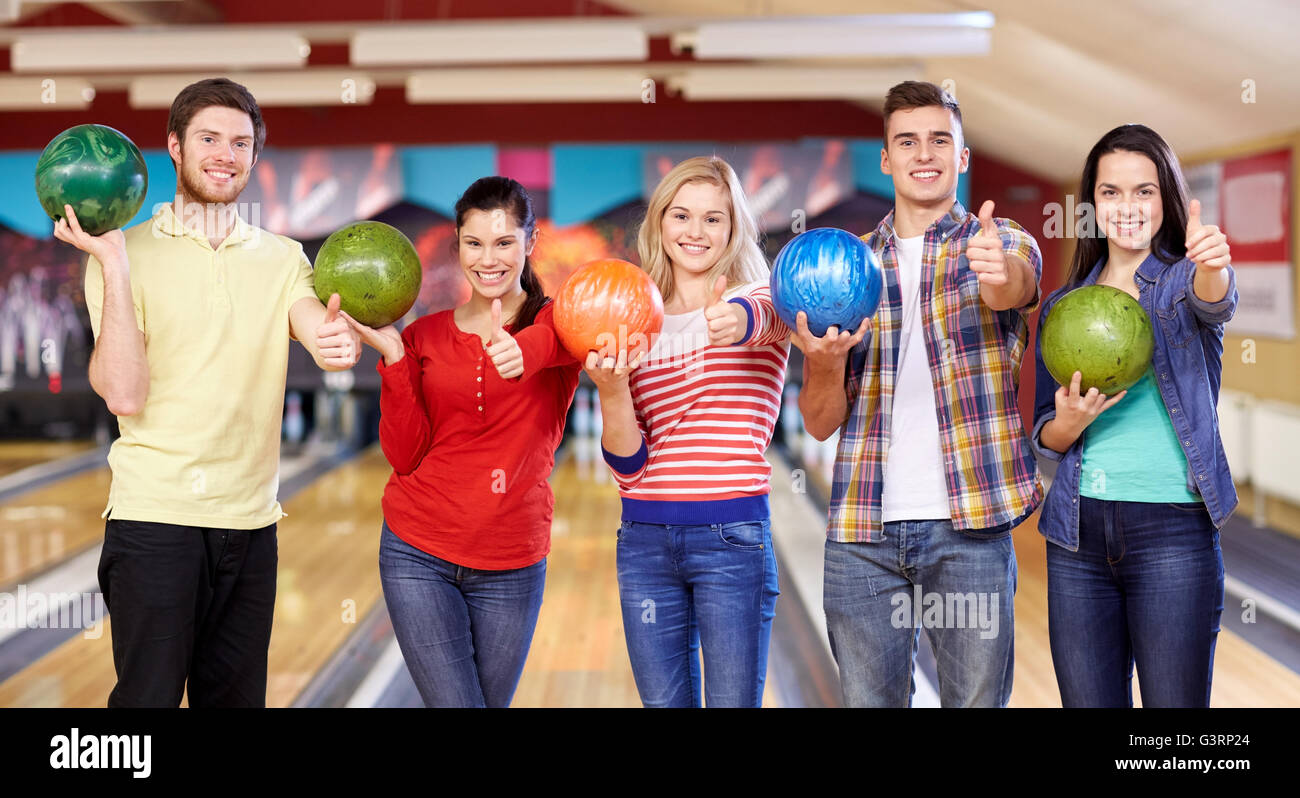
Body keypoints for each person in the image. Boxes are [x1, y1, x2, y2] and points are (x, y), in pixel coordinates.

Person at [61, 77, 361, 707]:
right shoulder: (122, 253)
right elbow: (123, 393)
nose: (226, 153)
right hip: (155, 519)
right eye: (209, 138)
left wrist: (333, 340)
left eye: (241, 142)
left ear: (255, 156)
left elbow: (313, 321)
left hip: (252, 525)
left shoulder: (283, 258)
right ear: (174, 146)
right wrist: (114, 264)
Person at [797, 81, 1043, 708]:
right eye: (907, 141)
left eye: (940, 140)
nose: (923, 153)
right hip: (862, 534)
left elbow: (1010, 287)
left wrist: (996, 273)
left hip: (971, 531)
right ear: (885, 159)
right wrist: (823, 366)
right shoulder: (848, 268)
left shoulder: (1002, 241)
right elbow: (821, 423)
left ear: (962, 157)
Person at [344, 176, 580, 708]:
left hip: (512, 559)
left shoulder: (559, 324)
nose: (488, 258)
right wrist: (396, 360)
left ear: (530, 242)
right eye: (474, 243)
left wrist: (526, 349)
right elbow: (404, 456)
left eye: (504, 243)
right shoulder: (422, 337)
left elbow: (564, 336)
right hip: (416, 551)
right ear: (458, 243)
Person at [1031, 124, 1235, 707]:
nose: (1127, 208)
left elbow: (1214, 299)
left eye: (1144, 192)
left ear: (1166, 199)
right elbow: (1046, 431)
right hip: (1077, 536)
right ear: (1092, 203)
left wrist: (1212, 262)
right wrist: (1068, 423)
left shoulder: (1181, 283)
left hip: (1173, 531)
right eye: (1112, 192)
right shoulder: (1064, 307)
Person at [587, 156, 788, 707]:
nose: (695, 232)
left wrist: (735, 318)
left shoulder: (764, 299)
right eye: (681, 215)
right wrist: (611, 391)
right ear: (659, 223)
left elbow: (765, 316)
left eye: (713, 219)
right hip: (644, 540)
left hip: (732, 537)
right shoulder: (632, 320)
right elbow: (629, 465)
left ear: (733, 228)